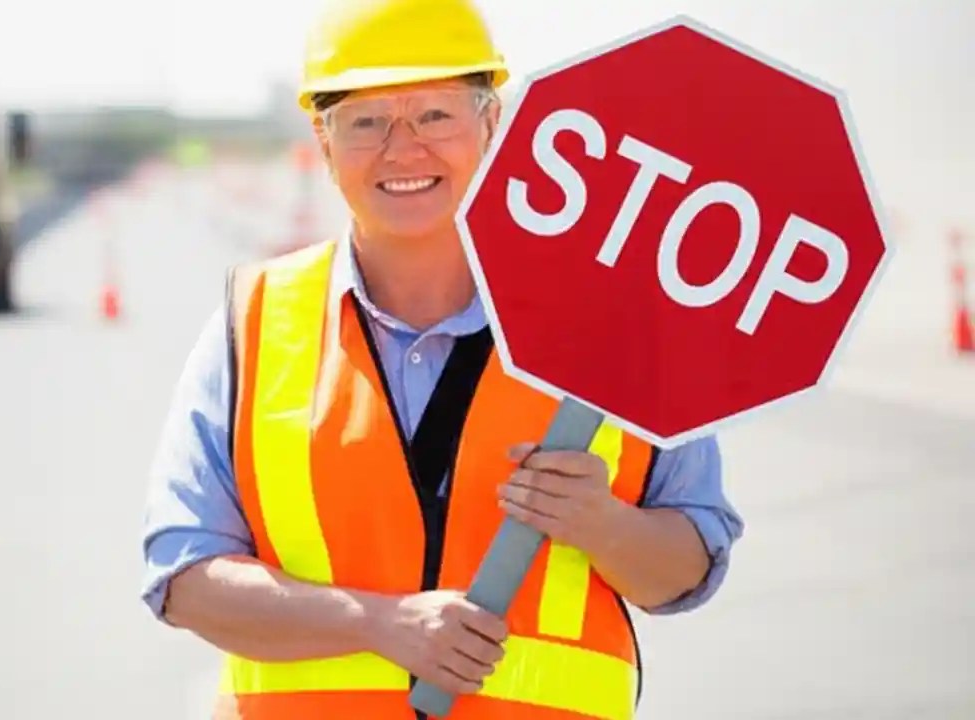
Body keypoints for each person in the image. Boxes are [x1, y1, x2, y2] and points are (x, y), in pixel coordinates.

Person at [141, 0, 744, 717]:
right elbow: (183, 578)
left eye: (435, 115)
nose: (403, 150)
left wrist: (602, 523)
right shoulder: (256, 322)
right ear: (323, 141)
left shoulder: (611, 328)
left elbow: (687, 571)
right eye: (366, 121)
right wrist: (377, 622)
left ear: (491, 127)